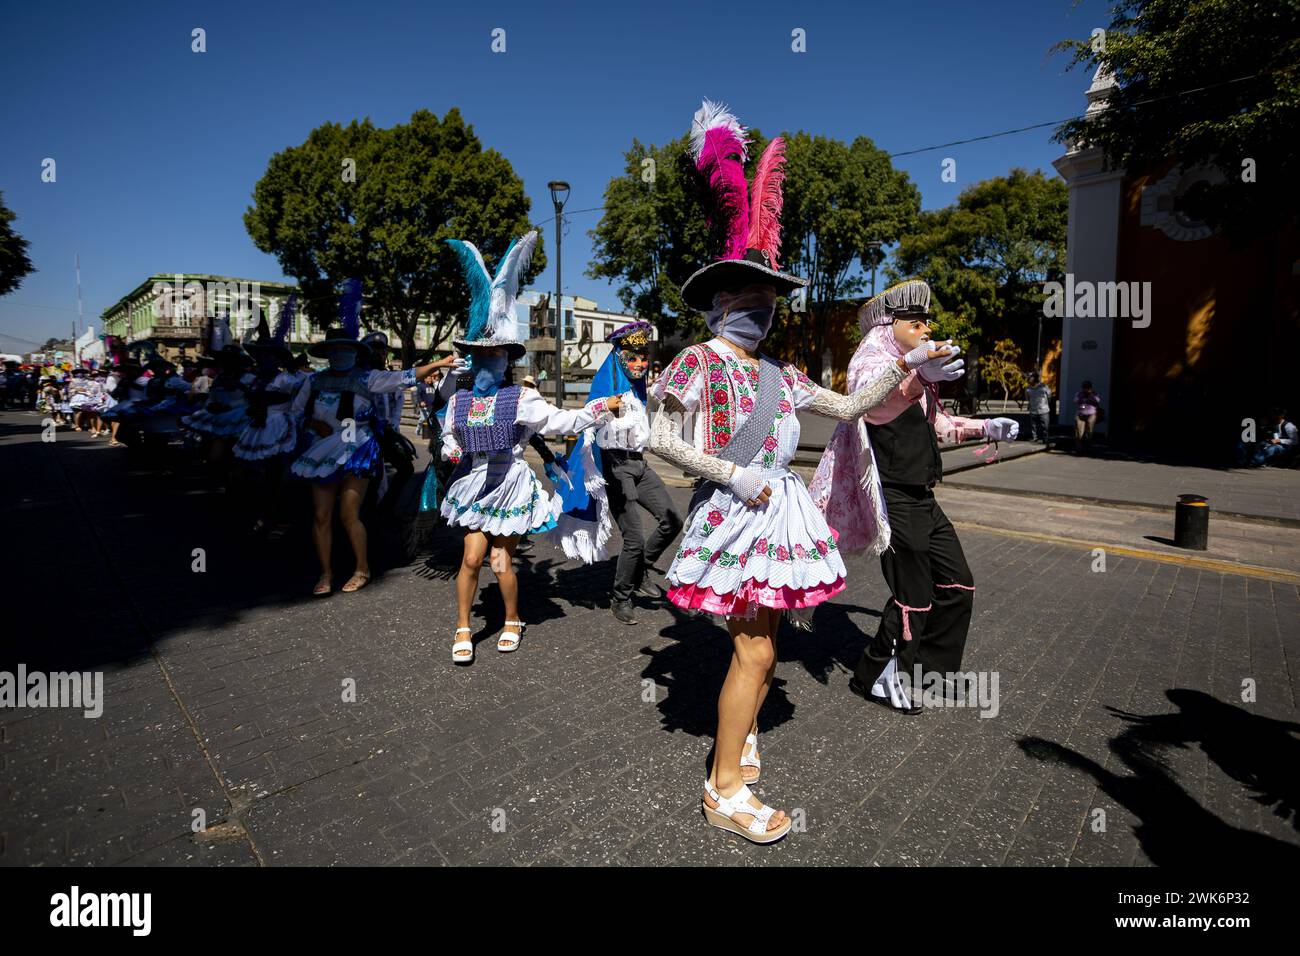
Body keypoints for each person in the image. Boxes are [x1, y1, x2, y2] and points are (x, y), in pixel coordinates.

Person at [647, 101, 938, 845]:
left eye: (770, 299)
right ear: (720, 300)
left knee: (766, 645)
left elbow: (849, 405)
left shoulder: (782, 369)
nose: (764, 309)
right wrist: (727, 472)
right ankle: (722, 790)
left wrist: (908, 367)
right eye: (750, 297)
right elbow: (658, 436)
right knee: (757, 648)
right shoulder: (697, 360)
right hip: (735, 511)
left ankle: (737, 751)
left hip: (777, 512)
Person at [809, 279, 1018, 717]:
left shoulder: (917, 368)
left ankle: (931, 673)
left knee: (958, 584)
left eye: (927, 322)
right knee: (914, 595)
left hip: (923, 494)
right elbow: (871, 404)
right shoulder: (871, 361)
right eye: (916, 322)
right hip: (891, 497)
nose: (926, 328)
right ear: (891, 325)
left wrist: (987, 428)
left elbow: (938, 423)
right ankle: (875, 676)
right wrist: (916, 376)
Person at [441, 231, 621, 664]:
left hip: (510, 485)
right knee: (470, 557)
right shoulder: (460, 401)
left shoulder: (521, 399)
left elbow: (565, 421)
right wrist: (450, 449)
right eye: (479, 356)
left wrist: (601, 406)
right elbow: (449, 435)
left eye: (495, 355)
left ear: (505, 359)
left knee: (500, 561)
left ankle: (511, 619)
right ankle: (464, 627)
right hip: (473, 481)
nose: (487, 362)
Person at [291, 281, 447, 596]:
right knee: (321, 515)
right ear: (327, 353)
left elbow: (404, 377)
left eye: (345, 349)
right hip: (322, 450)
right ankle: (325, 573)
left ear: (354, 352)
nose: (339, 354)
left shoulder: (369, 378)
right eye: (334, 350)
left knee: (349, 513)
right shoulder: (314, 381)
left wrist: (439, 364)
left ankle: (362, 568)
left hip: (355, 446)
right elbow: (294, 412)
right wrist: (310, 421)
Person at [556, 319, 682, 624]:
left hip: (640, 464)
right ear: (618, 358)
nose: (639, 363)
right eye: (632, 358)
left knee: (672, 520)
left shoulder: (639, 390)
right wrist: (603, 411)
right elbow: (588, 420)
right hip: (614, 468)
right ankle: (621, 596)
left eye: (643, 357)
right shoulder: (606, 389)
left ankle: (640, 571)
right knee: (634, 536)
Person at [1074, 380, 1102, 454]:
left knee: (1089, 432)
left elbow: (1098, 400)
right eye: (1084, 387)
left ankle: (1088, 448)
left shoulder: (1094, 394)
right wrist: (1081, 395)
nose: (1085, 389)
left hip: (1091, 414)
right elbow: (1075, 400)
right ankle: (1079, 450)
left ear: (1090, 388)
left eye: (1087, 387)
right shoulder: (1079, 393)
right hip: (1081, 414)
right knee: (1079, 433)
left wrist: (1091, 394)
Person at [1025, 372, 1052, 445]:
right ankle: (1035, 438)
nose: (1029, 379)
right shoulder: (1028, 389)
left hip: (1044, 410)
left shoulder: (1044, 387)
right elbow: (1027, 399)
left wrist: (1046, 403)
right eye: (1029, 378)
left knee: (1045, 426)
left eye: (1031, 378)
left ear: (1035, 378)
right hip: (1033, 409)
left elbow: (1049, 396)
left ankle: (1045, 439)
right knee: (1033, 426)